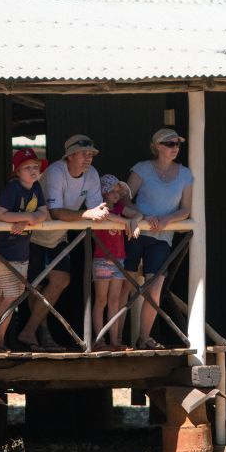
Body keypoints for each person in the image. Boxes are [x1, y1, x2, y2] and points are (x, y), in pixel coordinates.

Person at [17, 134, 110, 351]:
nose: (88, 158)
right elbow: (56, 211)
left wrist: (128, 220)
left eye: (91, 154)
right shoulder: (56, 171)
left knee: (61, 280)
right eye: (83, 154)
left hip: (58, 236)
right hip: (33, 235)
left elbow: (99, 209)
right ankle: (42, 334)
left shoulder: (92, 174)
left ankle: (30, 331)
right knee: (35, 287)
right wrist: (88, 214)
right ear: (69, 156)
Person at [127, 126, 195, 350]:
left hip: (163, 238)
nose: (175, 148)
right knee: (122, 286)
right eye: (169, 144)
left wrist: (167, 220)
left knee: (154, 288)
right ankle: (112, 339)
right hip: (135, 234)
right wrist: (141, 216)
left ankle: (143, 337)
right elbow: (124, 200)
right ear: (156, 146)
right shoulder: (141, 169)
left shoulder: (185, 174)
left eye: (177, 144)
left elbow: (185, 209)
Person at [0, 148, 50, 352]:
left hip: (20, 251)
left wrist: (28, 221)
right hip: (4, 251)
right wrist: (25, 218)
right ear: (17, 171)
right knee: (11, 296)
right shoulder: (13, 188)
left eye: (36, 167)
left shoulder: (36, 188)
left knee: (5, 295)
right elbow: (0, 214)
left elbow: (43, 212)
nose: (33, 171)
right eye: (27, 167)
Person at [90, 174, 138, 350]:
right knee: (101, 300)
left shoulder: (120, 208)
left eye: (119, 190)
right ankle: (99, 340)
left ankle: (115, 340)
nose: (116, 193)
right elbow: (109, 217)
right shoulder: (100, 209)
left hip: (119, 260)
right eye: (112, 190)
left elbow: (138, 214)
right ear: (103, 193)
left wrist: (134, 221)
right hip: (102, 260)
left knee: (115, 300)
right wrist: (128, 222)